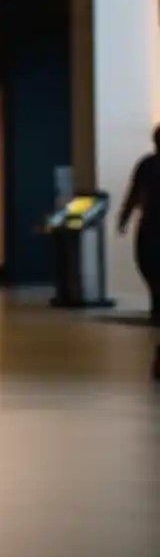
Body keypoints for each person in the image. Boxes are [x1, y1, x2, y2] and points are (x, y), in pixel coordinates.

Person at [117, 126, 160, 380]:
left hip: (150, 229)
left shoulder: (146, 165)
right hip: (152, 228)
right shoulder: (146, 165)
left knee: (151, 270)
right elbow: (135, 194)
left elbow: (133, 195)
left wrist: (124, 217)